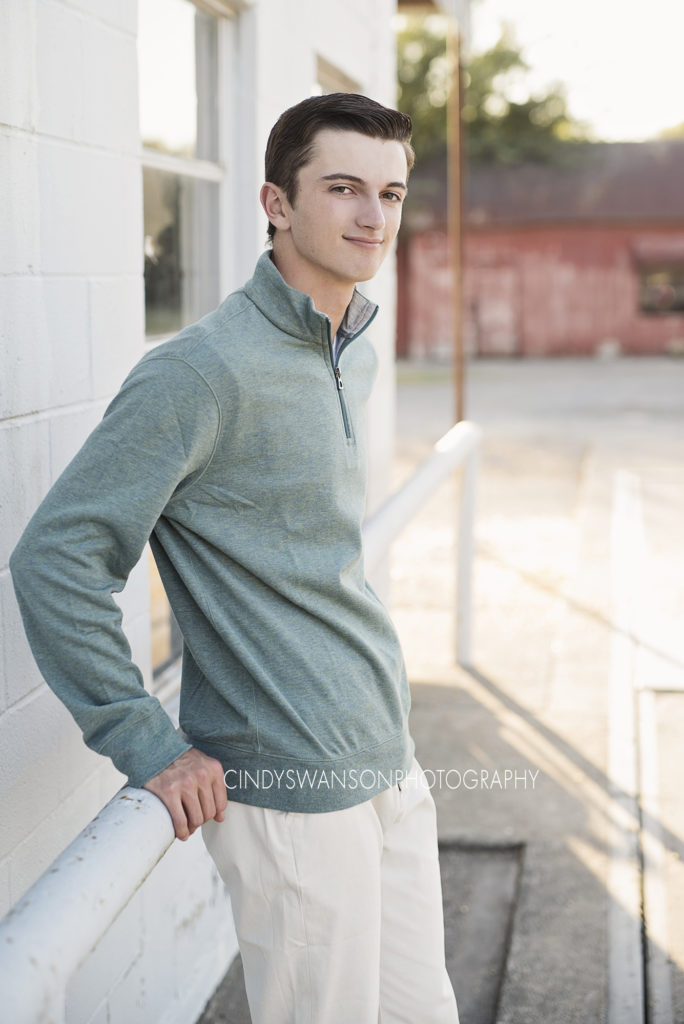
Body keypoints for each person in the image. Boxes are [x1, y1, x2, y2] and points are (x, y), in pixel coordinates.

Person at [10, 93, 459, 1024]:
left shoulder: (353, 347)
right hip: (292, 790)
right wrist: (144, 741)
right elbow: (57, 556)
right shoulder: (200, 371)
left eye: (390, 192)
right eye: (342, 188)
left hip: (385, 756)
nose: (373, 216)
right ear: (276, 202)